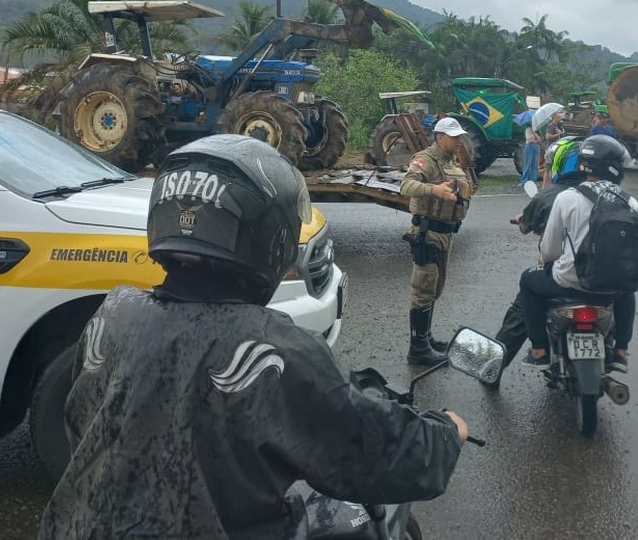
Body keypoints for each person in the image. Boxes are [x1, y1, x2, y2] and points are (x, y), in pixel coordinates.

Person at [39, 135, 468, 539]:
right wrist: (447, 432)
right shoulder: (274, 349)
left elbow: (80, 421)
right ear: (268, 237)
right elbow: (374, 452)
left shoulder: (113, 315)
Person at [516, 135, 638, 374]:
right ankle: (621, 351)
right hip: (612, 288)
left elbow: (550, 250)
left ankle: (540, 351)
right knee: (629, 289)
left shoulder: (567, 198)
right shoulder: (631, 203)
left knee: (528, 281)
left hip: (568, 282)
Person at [400, 116, 473, 365]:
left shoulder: (450, 161)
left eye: (460, 137)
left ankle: (426, 337)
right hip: (427, 233)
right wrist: (434, 190)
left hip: (445, 233)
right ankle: (418, 349)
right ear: (440, 138)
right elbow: (406, 185)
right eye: (454, 137)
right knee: (423, 290)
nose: (459, 141)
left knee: (435, 289)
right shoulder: (426, 160)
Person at [520, 118, 542, 186]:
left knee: (535, 164)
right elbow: (529, 140)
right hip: (529, 146)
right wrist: (535, 140)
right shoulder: (528, 130)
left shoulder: (538, 131)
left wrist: (535, 133)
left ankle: (533, 180)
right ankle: (524, 180)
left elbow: (540, 139)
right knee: (527, 164)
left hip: (536, 147)